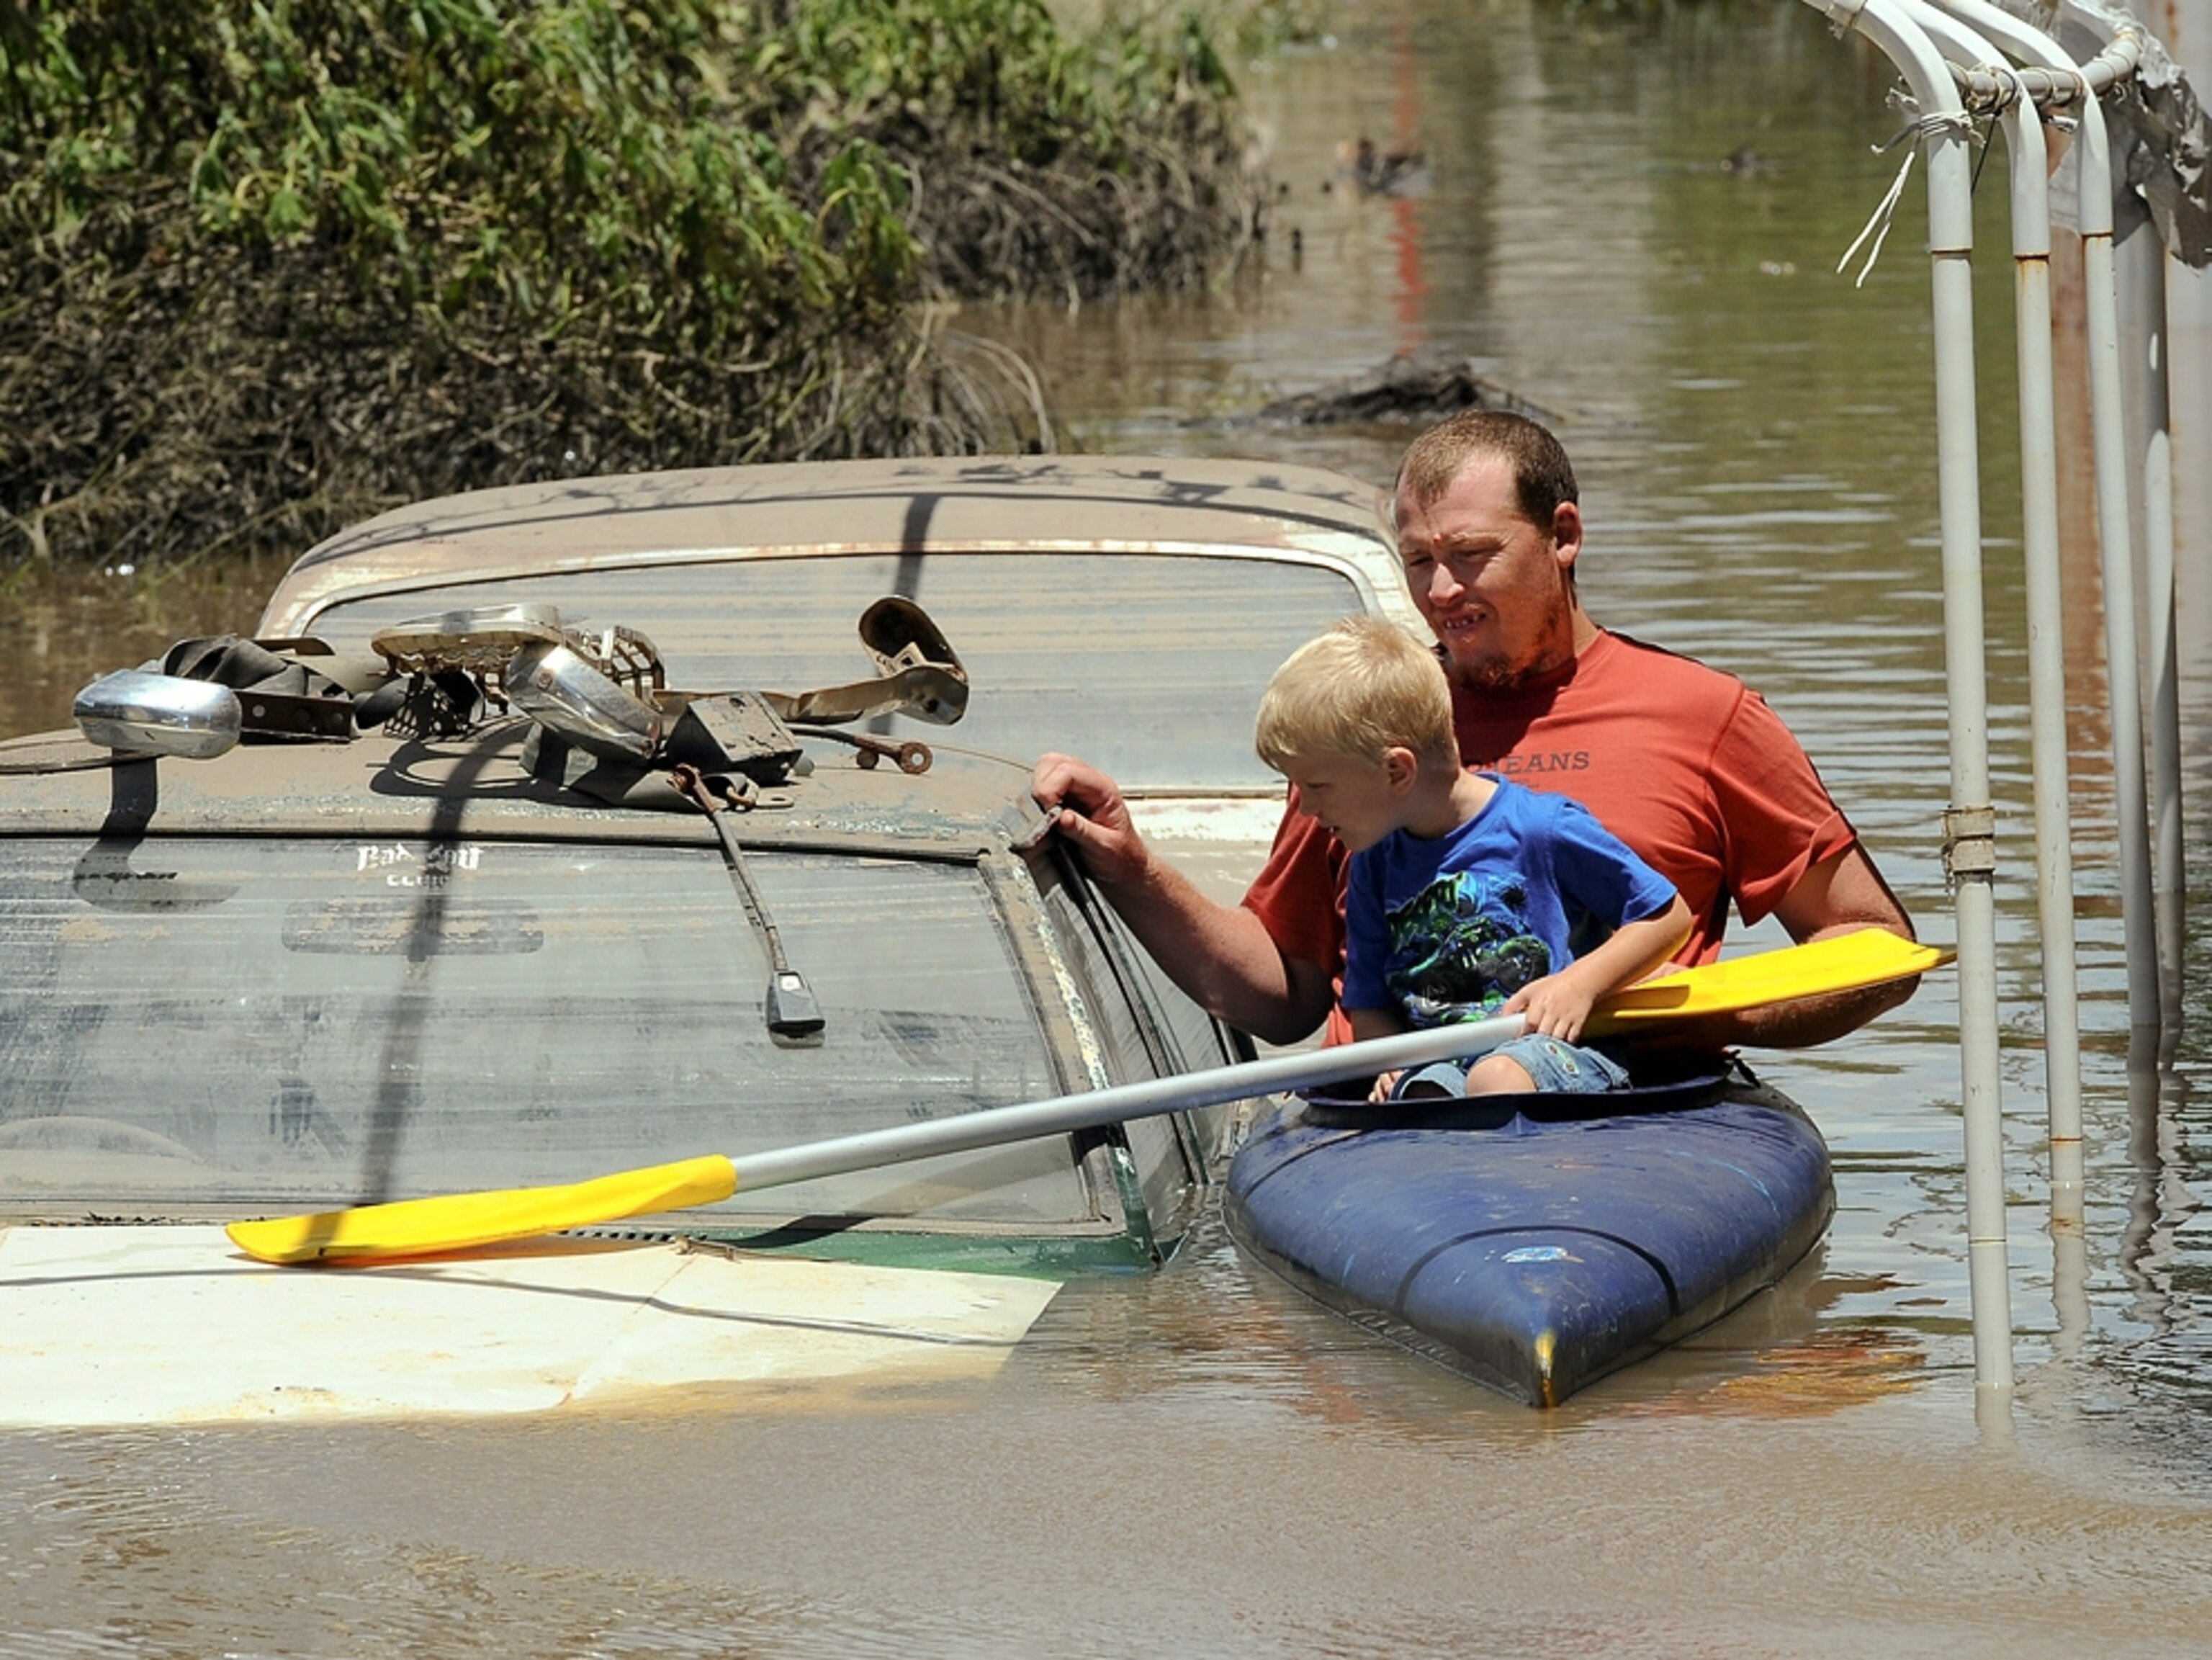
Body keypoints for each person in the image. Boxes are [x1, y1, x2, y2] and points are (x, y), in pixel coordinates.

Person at [1032, 410, 1917, 1057]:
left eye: (1471, 554)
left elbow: (1872, 947)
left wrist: (1691, 1010)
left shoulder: (1707, 715)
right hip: (1403, 1130)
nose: (1441, 590)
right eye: (1418, 560)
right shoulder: (1367, 718)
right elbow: (1283, 995)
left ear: (1562, 535)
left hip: (1637, 1118)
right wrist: (1131, 867)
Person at [1254, 616, 1691, 1098]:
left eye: (1317, 787)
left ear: (1397, 770)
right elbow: (1370, 1001)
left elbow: (1667, 916)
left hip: (1554, 1051)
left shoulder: (1542, 829)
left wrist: (1579, 985)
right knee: (1423, 1095)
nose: (1308, 808)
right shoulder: (1373, 862)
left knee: (1496, 1079)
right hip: (1440, 1063)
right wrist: (1389, 1063)